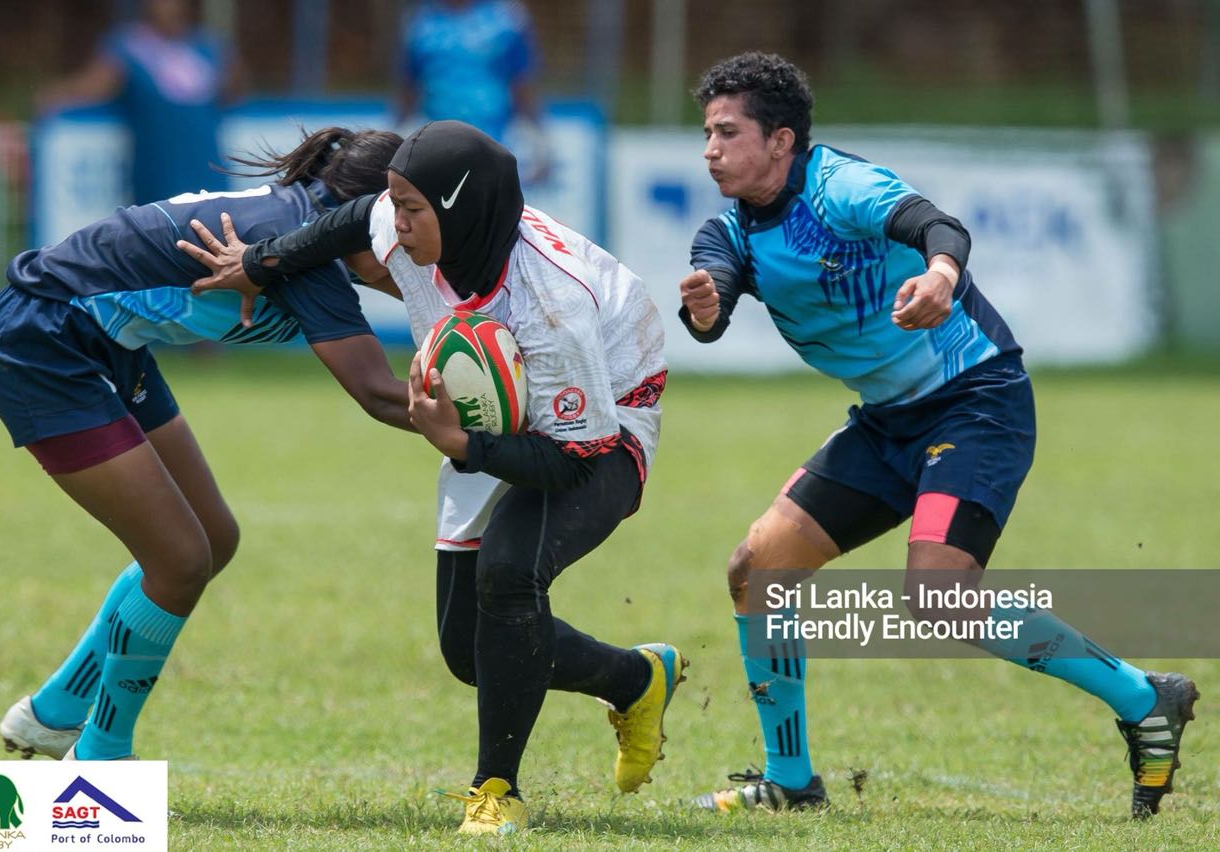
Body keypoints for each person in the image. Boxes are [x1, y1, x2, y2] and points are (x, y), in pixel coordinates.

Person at [677, 52, 1197, 820]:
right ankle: (790, 780)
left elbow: (938, 226)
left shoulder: (840, 187)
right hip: (887, 422)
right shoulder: (729, 232)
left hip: (975, 402)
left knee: (939, 598)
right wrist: (706, 305)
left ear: (781, 140)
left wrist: (942, 275)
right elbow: (712, 290)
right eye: (707, 134)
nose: (710, 149)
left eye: (727, 132)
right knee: (759, 566)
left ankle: (1143, 697)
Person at [179, 120, 682, 835]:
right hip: (497, 414)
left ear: (461, 208)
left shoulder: (550, 305)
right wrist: (260, 263)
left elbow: (576, 458)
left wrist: (461, 444)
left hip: (603, 433)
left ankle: (496, 791)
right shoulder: (407, 216)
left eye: (413, 208)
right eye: (397, 201)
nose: (397, 222)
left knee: (509, 577)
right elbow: (353, 217)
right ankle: (636, 679)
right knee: (469, 651)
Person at [0, 127, 412, 762]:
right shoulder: (305, 251)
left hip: (100, 342)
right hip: (44, 340)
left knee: (213, 537)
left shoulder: (304, 226)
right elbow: (378, 392)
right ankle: (100, 757)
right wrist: (509, 422)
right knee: (180, 559)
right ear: (372, 214)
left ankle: (54, 713)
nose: (417, 251)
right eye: (407, 225)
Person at [37, 0, 242, 204]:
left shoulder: (208, 46)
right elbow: (93, 85)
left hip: (209, 171)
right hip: (159, 175)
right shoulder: (130, 46)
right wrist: (56, 97)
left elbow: (233, 91)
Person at [397, 0, 549, 183]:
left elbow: (522, 81)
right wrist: (398, 134)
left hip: (495, 142)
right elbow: (409, 85)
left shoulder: (507, 17)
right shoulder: (421, 21)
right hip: (437, 145)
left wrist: (538, 137)